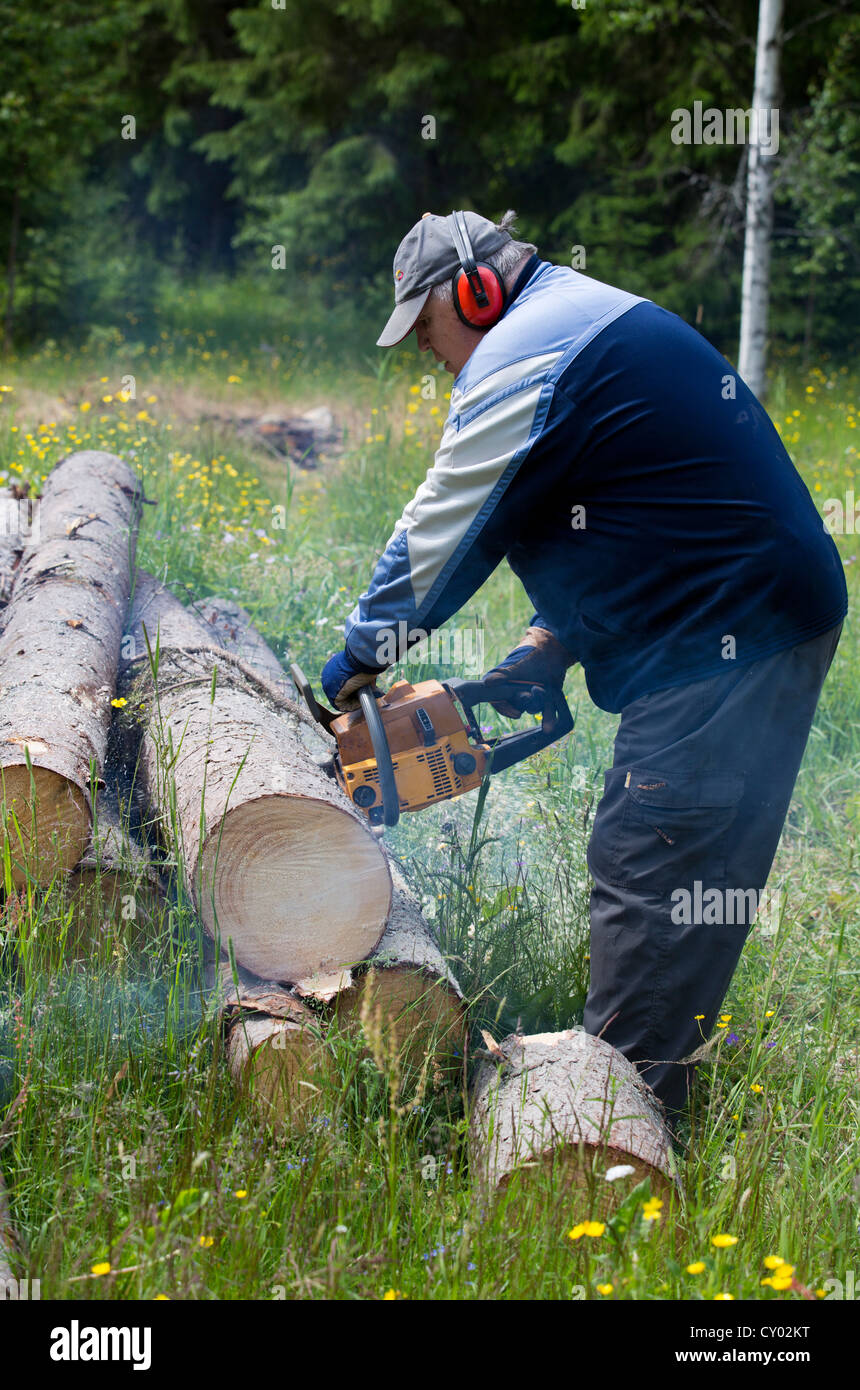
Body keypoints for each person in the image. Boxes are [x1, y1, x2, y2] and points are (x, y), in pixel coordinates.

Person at [321, 208, 847, 1121]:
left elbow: (441, 530)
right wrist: (548, 640)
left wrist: (354, 664)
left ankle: (616, 1134)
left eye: (427, 332)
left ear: (473, 292)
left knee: (654, 853)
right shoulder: (577, 322)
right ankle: (649, 1085)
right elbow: (627, 504)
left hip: (730, 629)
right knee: (679, 855)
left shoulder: (526, 350)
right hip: (752, 614)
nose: (429, 358)